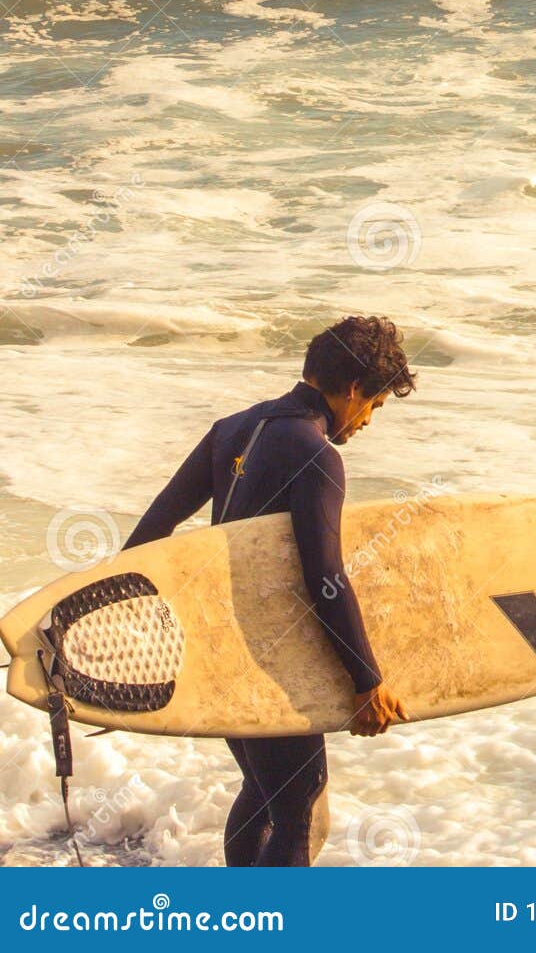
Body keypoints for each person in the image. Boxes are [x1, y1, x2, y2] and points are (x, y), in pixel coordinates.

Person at [123, 315, 414, 866]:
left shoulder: (231, 428)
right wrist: (366, 681)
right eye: (374, 405)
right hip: (272, 661)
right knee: (298, 806)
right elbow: (326, 579)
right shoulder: (317, 454)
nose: (369, 420)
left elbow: (146, 539)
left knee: (264, 790)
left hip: (218, 648)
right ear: (353, 389)